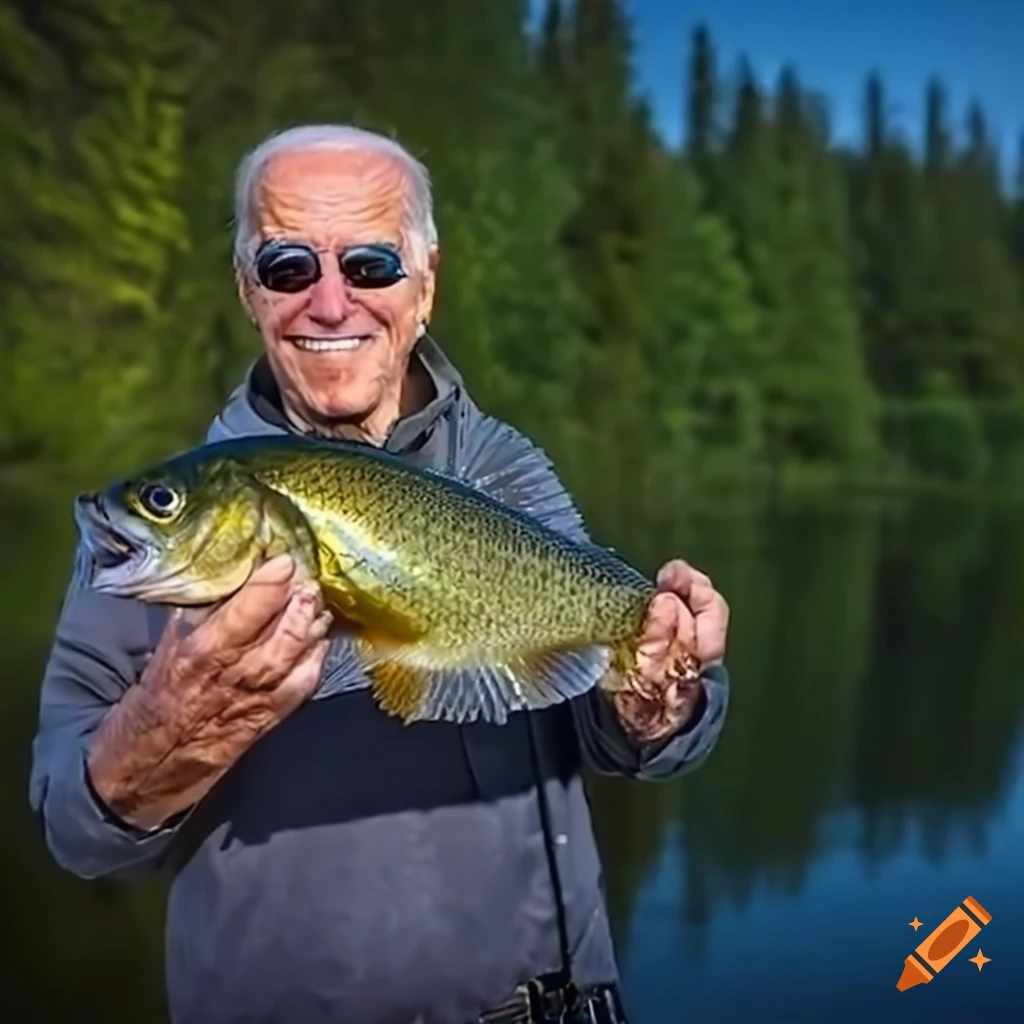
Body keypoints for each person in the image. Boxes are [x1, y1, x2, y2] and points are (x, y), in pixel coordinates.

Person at [29, 124, 731, 1024]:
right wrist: (165, 732)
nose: (331, 303)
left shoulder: (498, 476)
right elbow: (76, 833)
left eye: (369, 264)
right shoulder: (157, 551)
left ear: (425, 284)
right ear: (249, 291)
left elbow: (617, 725)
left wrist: (662, 701)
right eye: (288, 267)